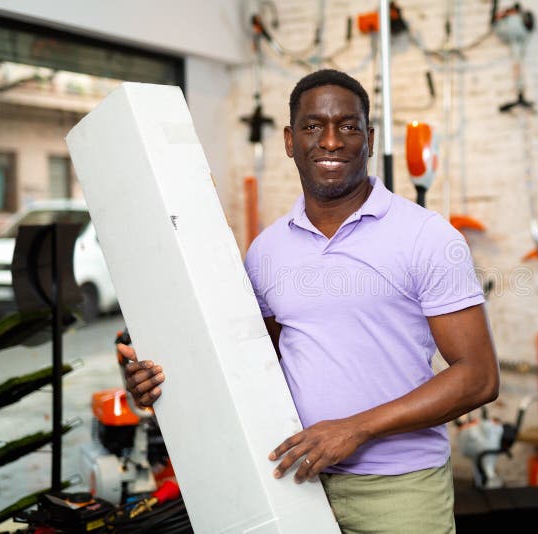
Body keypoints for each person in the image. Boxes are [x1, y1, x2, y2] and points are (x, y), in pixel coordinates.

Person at [121, 68, 499, 534]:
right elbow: (253, 366)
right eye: (313, 125)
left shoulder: (427, 237)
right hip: (292, 481)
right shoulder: (267, 250)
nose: (331, 140)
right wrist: (161, 379)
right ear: (289, 140)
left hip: (399, 491)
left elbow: (478, 378)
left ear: (369, 137)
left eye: (348, 125)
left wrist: (355, 428)